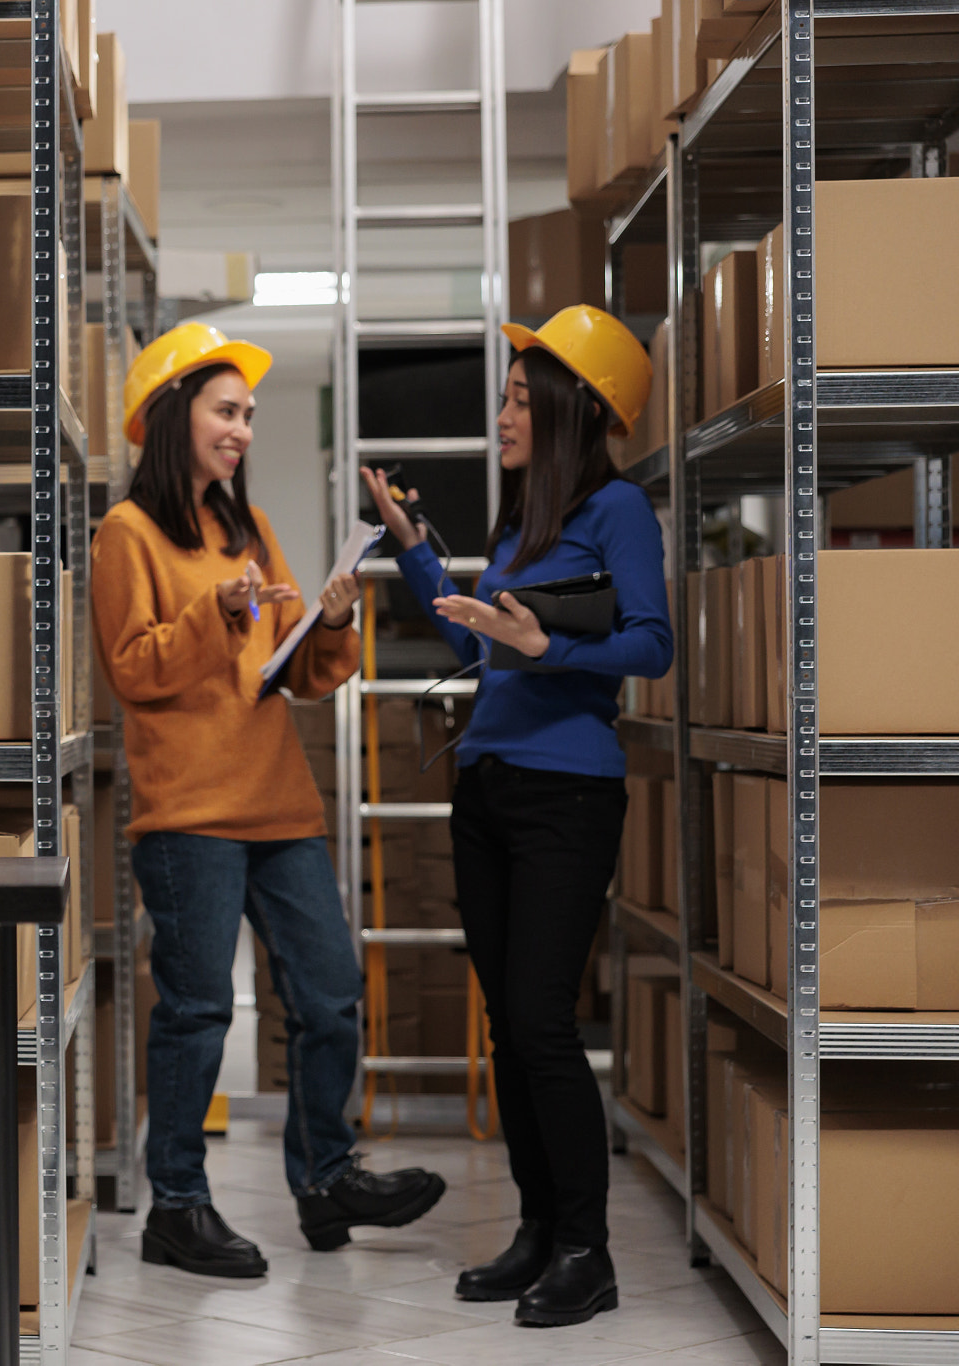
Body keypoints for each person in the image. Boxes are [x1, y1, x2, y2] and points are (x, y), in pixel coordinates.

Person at [92, 322, 447, 1276]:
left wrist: (330, 623)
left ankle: (326, 1179)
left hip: (278, 805)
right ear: (175, 418)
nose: (243, 429)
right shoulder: (127, 536)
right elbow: (131, 670)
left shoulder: (245, 532)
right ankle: (177, 1205)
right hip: (189, 816)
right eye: (226, 411)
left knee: (329, 996)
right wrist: (217, 615)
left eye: (248, 415)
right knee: (200, 1011)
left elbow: (298, 670)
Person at [362, 304, 673, 1328]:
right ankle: (540, 1232)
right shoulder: (519, 522)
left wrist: (551, 652)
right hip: (487, 789)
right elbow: (480, 654)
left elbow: (648, 644)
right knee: (509, 1023)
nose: (498, 413)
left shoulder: (616, 509)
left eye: (512, 396)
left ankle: (588, 1251)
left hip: (564, 793)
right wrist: (414, 552)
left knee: (540, 1021)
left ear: (565, 406)